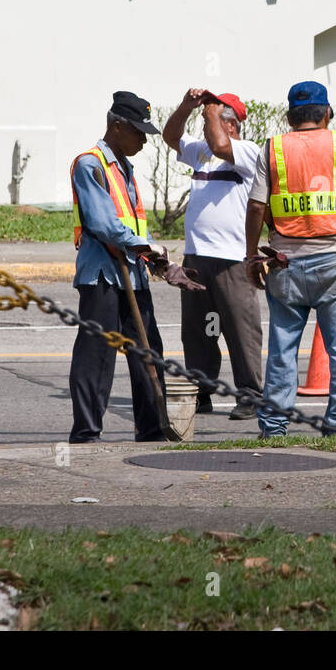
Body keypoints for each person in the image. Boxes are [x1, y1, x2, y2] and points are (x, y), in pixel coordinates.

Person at [245, 81, 336, 438]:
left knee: (282, 348)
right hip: (333, 260)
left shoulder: (273, 148)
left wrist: (250, 257)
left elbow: (257, 205)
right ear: (326, 113)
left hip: (284, 262)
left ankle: (274, 427)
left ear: (289, 117)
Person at [68, 90, 204, 444]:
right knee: (97, 355)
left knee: (148, 354)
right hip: (102, 277)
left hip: (134, 275)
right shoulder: (90, 164)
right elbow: (103, 224)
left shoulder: (124, 167)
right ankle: (86, 433)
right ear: (117, 126)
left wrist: (162, 264)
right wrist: (151, 247)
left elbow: (132, 225)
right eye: (139, 132)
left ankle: (151, 429)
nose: (144, 140)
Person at [161, 88, 265, 421]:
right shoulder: (201, 152)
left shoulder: (247, 152)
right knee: (201, 330)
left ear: (230, 124)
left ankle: (250, 395)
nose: (207, 124)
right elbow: (171, 136)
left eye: (214, 117)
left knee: (240, 329)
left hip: (232, 259)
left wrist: (210, 110)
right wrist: (187, 106)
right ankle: (202, 390)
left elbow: (221, 145)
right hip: (197, 258)